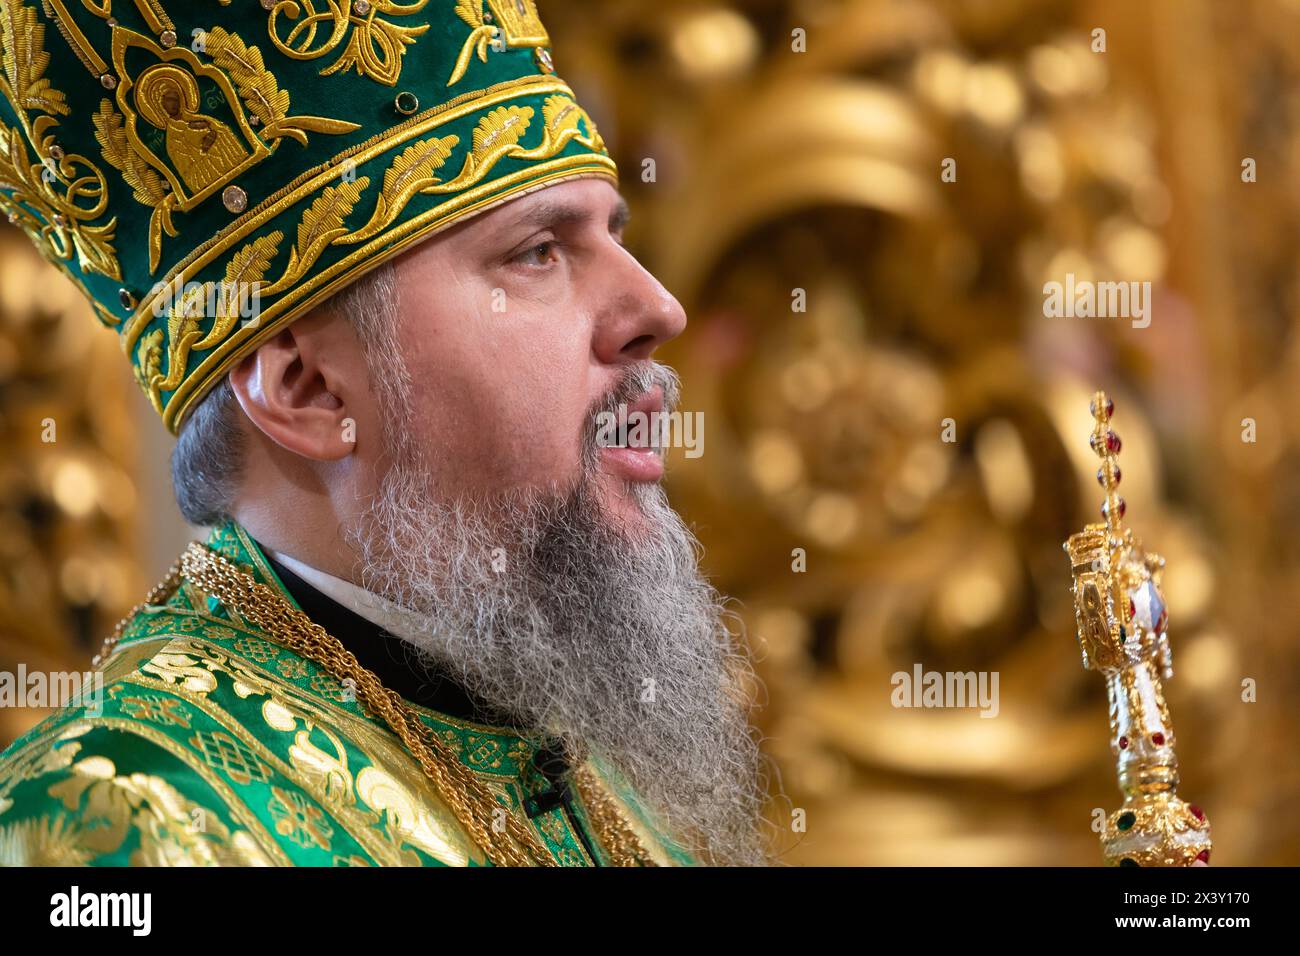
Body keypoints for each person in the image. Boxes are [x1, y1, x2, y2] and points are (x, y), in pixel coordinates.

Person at [0, 0, 768, 866]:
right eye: (539, 251)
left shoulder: (586, 768)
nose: (658, 308)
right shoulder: (126, 821)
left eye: (614, 235)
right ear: (311, 389)